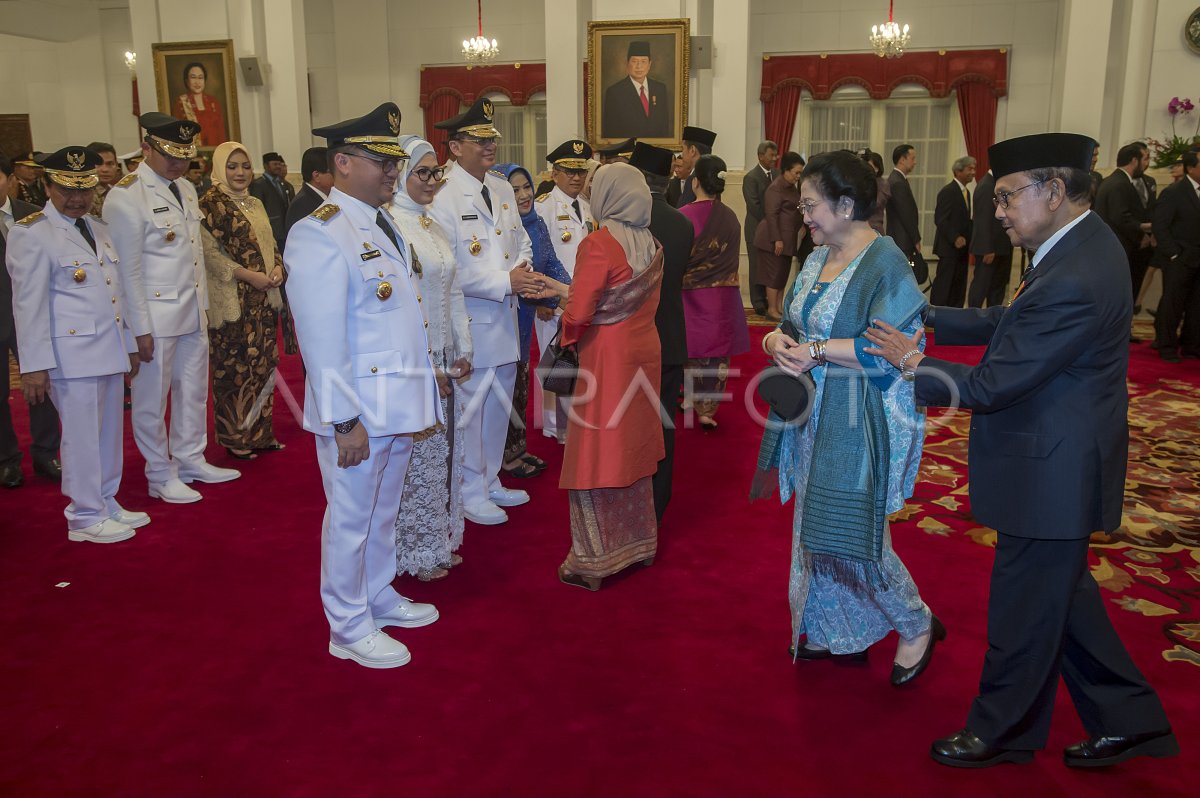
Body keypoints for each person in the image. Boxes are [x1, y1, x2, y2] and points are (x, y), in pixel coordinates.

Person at [866, 132, 1178, 769]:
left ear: (1055, 191)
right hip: (1061, 453)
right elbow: (1014, 322)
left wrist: (911, 363)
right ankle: (1131, 718)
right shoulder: (1081, 246)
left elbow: (991, 383)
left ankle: (1001, 732)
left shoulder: (1076, 272)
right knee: (1060, 600)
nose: (999, 212)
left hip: (1050, 466)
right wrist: (930, 315)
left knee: (1022, 609)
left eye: (1008, 198)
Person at [756, 149, 937, 684]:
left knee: (851, 530)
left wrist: (813, 350)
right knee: (816, 526)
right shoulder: (816, 258)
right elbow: (790, 322)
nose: (804, 215)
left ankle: (917, 621)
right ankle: (844, 632)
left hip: (865, 418)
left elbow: (888, 348)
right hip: (816, 414)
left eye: (811, 205)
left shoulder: (885, 262)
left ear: (846, 203)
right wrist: (775, 339)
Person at [285, 102, 441, 669]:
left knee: (382, 510)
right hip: (357, 410)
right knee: (349, 517)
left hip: (395, 401)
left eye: (395, 161)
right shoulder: (319, 233)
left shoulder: (382, 223)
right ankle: (347, 626)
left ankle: (376, 595)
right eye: (382, 161)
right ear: (344, 162)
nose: (394, 171)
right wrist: (343, 419)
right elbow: (320, 339)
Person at [526, 163, 665, 590]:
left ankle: (594, 561)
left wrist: (565, 332)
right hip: (644, 354)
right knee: (633, 449)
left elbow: (581, 314)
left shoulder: (598, 243)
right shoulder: (654, 244)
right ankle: (640, 544)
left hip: (605, 359)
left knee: (596, 452)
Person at [6, 146, 147, 542]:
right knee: (82, 436)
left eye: (83, 188)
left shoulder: (98, 228)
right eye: (66, 189)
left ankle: (105, 499)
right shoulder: (32, 234)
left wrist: (129, 344)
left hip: (107, 350)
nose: (76, 198)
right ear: (47, 186)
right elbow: (27, 304)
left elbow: (114, 293)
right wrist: (33, 366)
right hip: (70, 356)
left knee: (107, 434)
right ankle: (84, 515)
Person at [105, 112, 241, 503]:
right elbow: (127, 271)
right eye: (169, 155)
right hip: (156, 318)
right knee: (152, 399)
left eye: (184, 156)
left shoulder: (185, 188)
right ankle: (159, 474)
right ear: (147, 148)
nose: (178, 163)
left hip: (192, 310)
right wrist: (138, 329)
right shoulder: (126, 196)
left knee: (194, 391)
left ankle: (190, 457)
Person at [428, 97, 537, 526]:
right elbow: (445, 267)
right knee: (470, 413)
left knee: (498, 408)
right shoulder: (442, 195)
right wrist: (503, 281)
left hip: (506, 319)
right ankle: (470, 491)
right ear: (454, 147)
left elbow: (520, 241)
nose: (489, 145)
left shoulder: (501, 186)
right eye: (477, 139)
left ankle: (490, 480)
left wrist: (522, 269)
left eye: (491, 137)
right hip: (470, 321)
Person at [389, 134, 475, 582]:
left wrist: (463, 346)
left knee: (445, 451)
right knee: (417, 455)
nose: (431, 181)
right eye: (422, 172)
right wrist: (427, 364)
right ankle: (414, 549)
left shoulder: (430, 225)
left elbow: (453, 290)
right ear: (401, 174)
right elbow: (403, 305)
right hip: (418, 358)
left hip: (443, 351)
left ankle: (439, 539)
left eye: (436, 172)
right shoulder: (393, 228)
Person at [198, 141, 285, 459]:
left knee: (263, 368)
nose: (240, 172)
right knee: (235, 372)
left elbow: (271, 241)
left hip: (262, 302)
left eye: (245, 166)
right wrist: (247, 275)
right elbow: (208, 255)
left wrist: (277, 266)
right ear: (219, 168)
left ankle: (260, 433)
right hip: (234, 304)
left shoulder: (254, 203)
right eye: (232, 166)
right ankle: (236, 437)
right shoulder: (210, 203)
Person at [629, 141, 692, 524]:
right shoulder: (683, 222)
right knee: (664, 424)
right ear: (668, 176)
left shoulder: (624, 222)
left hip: (632, 338)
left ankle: (630, 506)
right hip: (670, 336)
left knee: (630, 424)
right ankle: (659, 500)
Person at [497, 162, 567, 480]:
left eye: (527, 187)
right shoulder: (499, 228)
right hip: (501, 318)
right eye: (515, 190)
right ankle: (502, 458)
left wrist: (575, 293)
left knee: (519, 385)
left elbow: (550, 264)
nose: (524, 195)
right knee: (502, 389)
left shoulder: (535, 224)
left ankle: (516, 449)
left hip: (523, 321)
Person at [0, 153, 61, 488]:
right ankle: (6, 460)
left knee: (43, 387)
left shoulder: (34, 216)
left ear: (10, 180)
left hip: (36, 316)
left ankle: (46, 453)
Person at [677, 155, 750, 430]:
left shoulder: (683, 216)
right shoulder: (731, 217)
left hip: (690, 296)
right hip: (722, 297)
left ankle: (688, 399)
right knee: (717, 355)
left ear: (695, 182)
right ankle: (708, 410)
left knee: (690, 350)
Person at [534, 139, 594, 440]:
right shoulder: (543, 208)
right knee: (555, 361)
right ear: (554, 173)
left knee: (580, 363)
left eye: (581, 172)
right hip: (555, 302)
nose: (576, 178)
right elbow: (537, 256)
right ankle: (555, 427)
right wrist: (543, 300)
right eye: (569, 171)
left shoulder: (587, 207)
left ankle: (577, 420)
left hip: (584, 300)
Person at [1151, 150, 1200, 362]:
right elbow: (1160, 225)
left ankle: (1191, 345)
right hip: (1179, 258)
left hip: (1198, 258)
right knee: (1173, 304)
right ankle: (1167, 346)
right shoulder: (1175, 191)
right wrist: (1173, 254)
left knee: (1196, 305)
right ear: (1191, 167)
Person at [753, 151, 806, 321]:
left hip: (786, 240)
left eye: (800, 173)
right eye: (796, 172)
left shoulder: (791, 188)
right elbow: (771, 215)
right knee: (773, 275)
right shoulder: (775, 188)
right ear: (786, 170)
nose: (798, 176)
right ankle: (772, 309)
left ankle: (779, 307)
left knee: (782, 275)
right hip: (772, 240)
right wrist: (777, 239)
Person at [930, 155, 976, 308]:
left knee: (958, 286)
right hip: (948, 248)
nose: (973, 172)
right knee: (944, 285)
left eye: (974, 169)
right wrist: (955, 237)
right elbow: (940, 219)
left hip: (962, 249)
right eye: (970, 169)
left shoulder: (967, 193)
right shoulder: (948, 191)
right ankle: (934, 316)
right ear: (958, 171)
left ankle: (955, 314)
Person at [601, 41, 671, 139]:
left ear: (649, 64)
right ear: (627, 63)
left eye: (643, 61)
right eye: (634, 61)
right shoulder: (614, 92)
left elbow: (664, 126)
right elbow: (610, 131)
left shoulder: (660, 89)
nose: (639, 66)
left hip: (656, 150)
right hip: (628, 151)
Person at [967, 167, 1013, 307]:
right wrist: (988, 249)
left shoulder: (996, 184)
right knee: (981, 288)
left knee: (997, 289)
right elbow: (982, 220)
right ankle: (972, 319)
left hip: (1001, 248)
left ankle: (992, 321)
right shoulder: (986, 186)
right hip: (990, 249)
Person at [744, 140, 779, 316]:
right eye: (771, 155)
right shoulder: (751, 177)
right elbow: (754, 206)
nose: (774, 158)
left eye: (775, 155)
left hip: (773, 229)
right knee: (756, 266)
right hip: (756, 228)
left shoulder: (778, 174)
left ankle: (768, 300)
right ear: (760, 156)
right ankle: (757, 301)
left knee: (770, 266)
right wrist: (771, 221)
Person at [284, 146, 333, 243]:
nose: (337, 177)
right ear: (317, 176)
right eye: (332, 172)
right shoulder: (301, 204)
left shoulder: (323, 197)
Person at [172, 62, 228, 147]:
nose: (197, 82)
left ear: (204, 80)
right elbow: (177, 134)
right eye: (193, 77)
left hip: (216, 152)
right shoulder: (181, 103)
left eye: (200, 78)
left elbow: (221, 132)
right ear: (186, 80)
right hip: (192, 155)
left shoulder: (213, 102)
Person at [250, 152, 295, 254]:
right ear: (265, 165)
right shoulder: (259, 184)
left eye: (279, 164)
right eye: (275, 164)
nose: (278, 167)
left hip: (284, 230)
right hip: (270, 231)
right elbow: (257, 209)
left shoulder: (281, 183)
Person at [886, 144, 921, 266]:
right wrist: (916, 238)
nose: (915, 162)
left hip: (900, 238)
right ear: (902, 160)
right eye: (912, 158)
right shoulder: (897, 182)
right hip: (901, 239)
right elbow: (906, 214)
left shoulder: (898, 179)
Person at [674, 126, 716, 208]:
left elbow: (683, 213)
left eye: (683, 149)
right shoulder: (712, 175)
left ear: (692, 150)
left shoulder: (694, 179)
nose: (682, 155)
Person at [859, 148, 889, 235]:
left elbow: (876, 203)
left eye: (869, 165)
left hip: (875, 227)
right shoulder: (864, 181)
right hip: (862, 228)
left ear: (877, 168)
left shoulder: (883, 183)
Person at [86, 141, 121, 217]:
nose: (105, 169)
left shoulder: (116, 191)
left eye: (110, 164)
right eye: (98, 164)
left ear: (117, 165)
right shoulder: (85, 195)